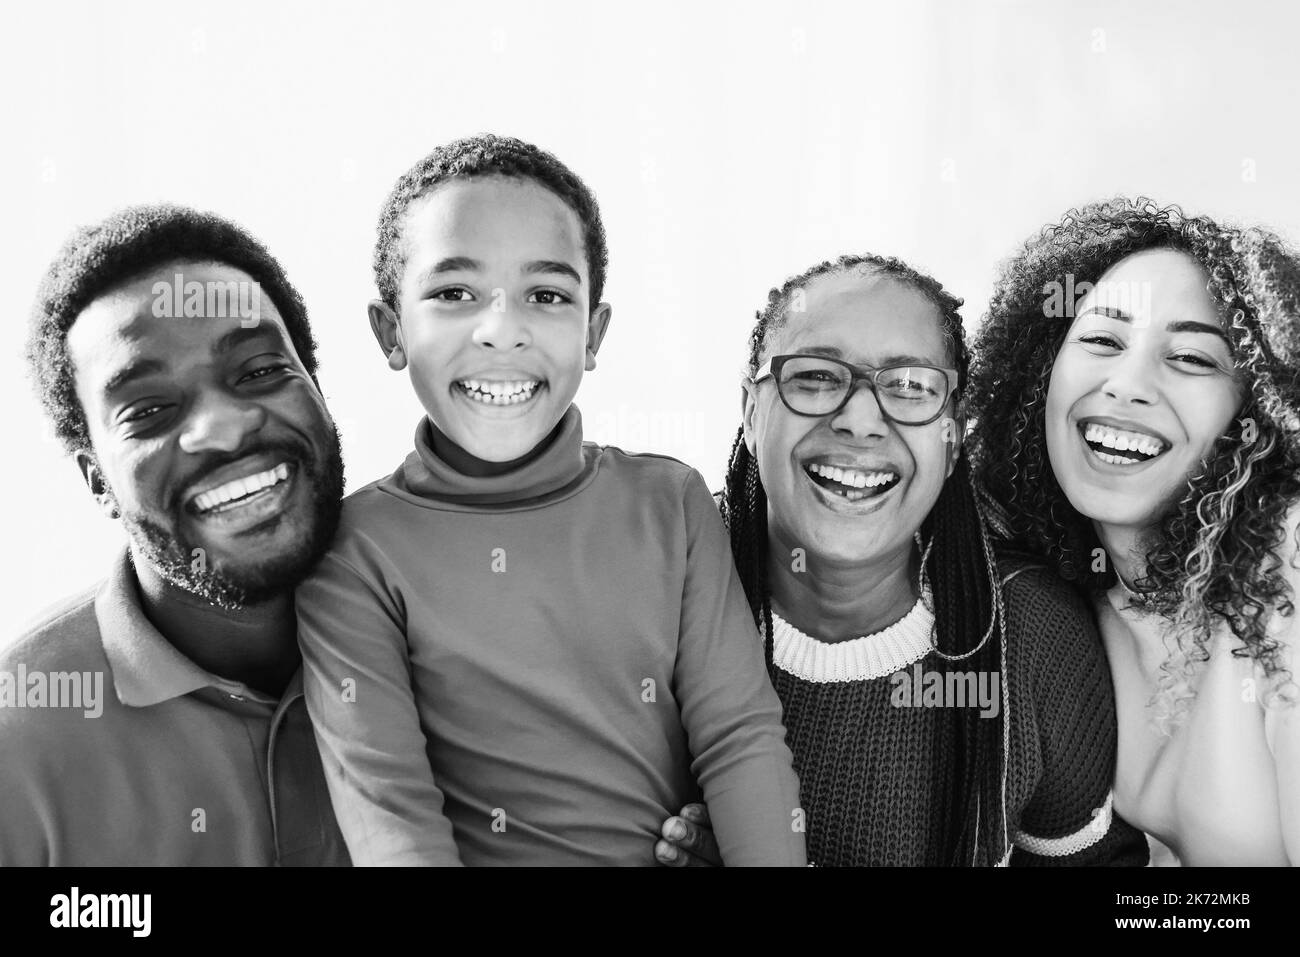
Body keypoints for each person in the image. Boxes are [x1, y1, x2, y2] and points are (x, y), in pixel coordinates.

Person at [295, 134, 805, 866]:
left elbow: (740, 738)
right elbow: (394, 823)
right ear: (390, 331)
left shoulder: (673, 504)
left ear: (593, 333)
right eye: (452, 293)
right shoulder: (354, 551)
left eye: (547, 295)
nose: (502, 329)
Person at [656, 253, 1148, 866]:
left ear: (954, 435)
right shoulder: (653, 585)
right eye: (814, 377)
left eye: (911, 387)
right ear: (752, 412)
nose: (860, 420)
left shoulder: (1031, 636)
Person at [2, 204, 348, 865]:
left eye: (257, 370)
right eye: (150, 410)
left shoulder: (455, 629)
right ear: (96, 478)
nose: (222, 427)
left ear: (317, 387)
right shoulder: (17, 746)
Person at [967, 198, 1300, 866]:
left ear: (1257, 409)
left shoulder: (1287, 563)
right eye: (1101, 340)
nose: (1128, 384)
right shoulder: (1067, 604)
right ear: (1041, 374)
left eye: (1191, 358)